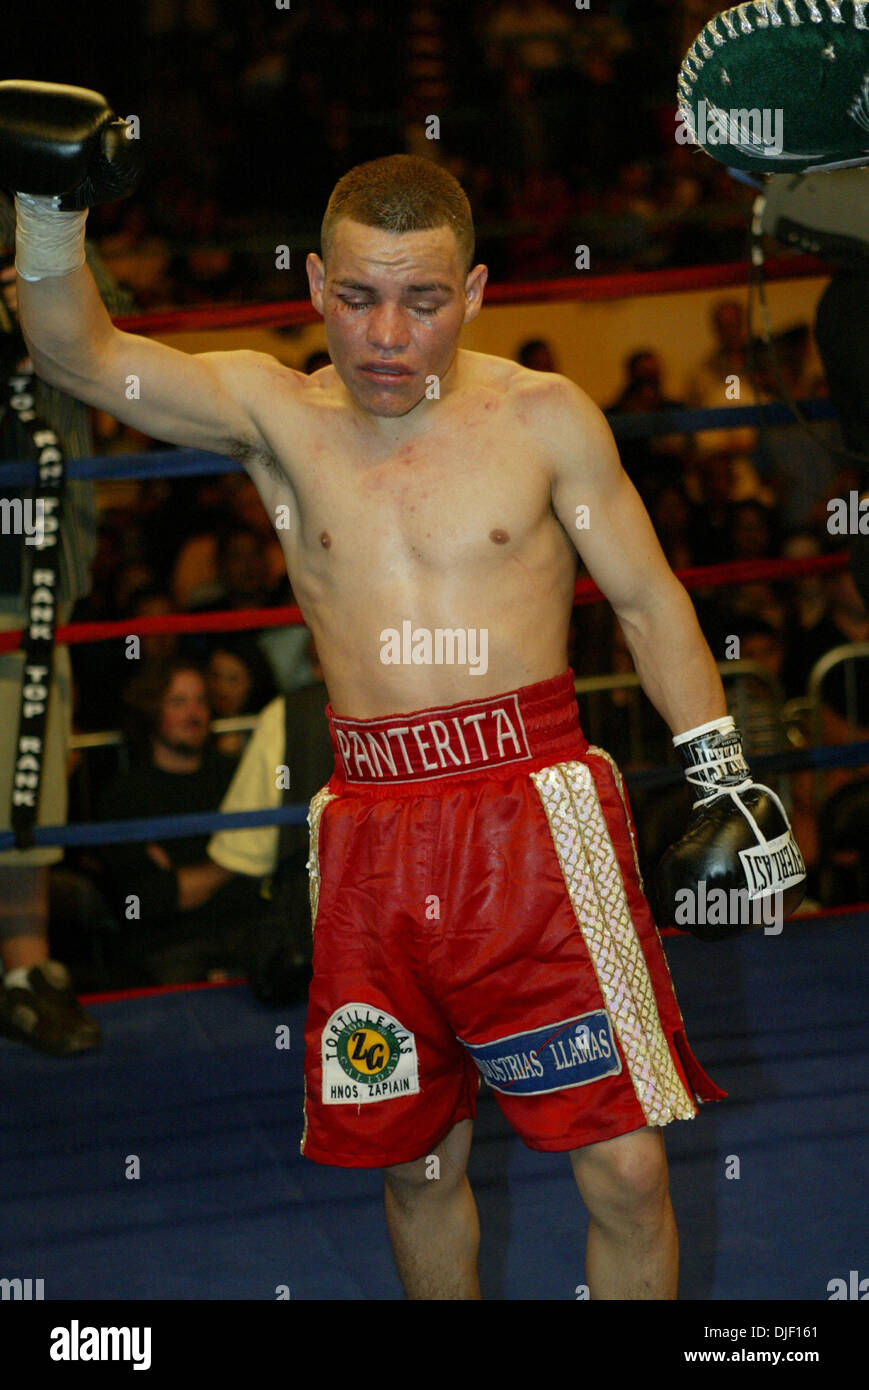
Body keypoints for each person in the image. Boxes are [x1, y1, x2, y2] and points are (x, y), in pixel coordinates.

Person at [8, 97, 804, 1299]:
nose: (387, 336)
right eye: (358, 298)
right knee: (420, 1167)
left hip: (533, 818)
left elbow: (644, 599)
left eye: (423, 302)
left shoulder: (542, 418)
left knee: (627, 1166)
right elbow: (77, 351)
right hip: (374, 830)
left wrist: (720, 770)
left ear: (475, 292)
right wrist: (45, 205)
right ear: (318, 280)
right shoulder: (272, 411)